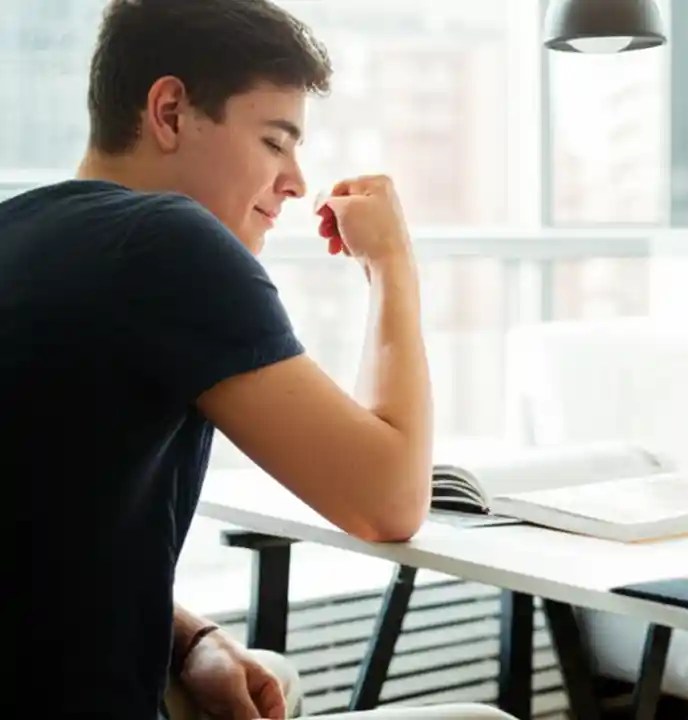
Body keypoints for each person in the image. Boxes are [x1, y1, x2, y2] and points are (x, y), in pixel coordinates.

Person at [0, 1, 514, 718]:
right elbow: (388, 502)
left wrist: (190, 640)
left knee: (266, 672)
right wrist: (392, 264)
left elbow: (44, 548)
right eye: (276, 141)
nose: (297, 181)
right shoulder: (166, 241)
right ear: (171, 111)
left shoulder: (20, 231)